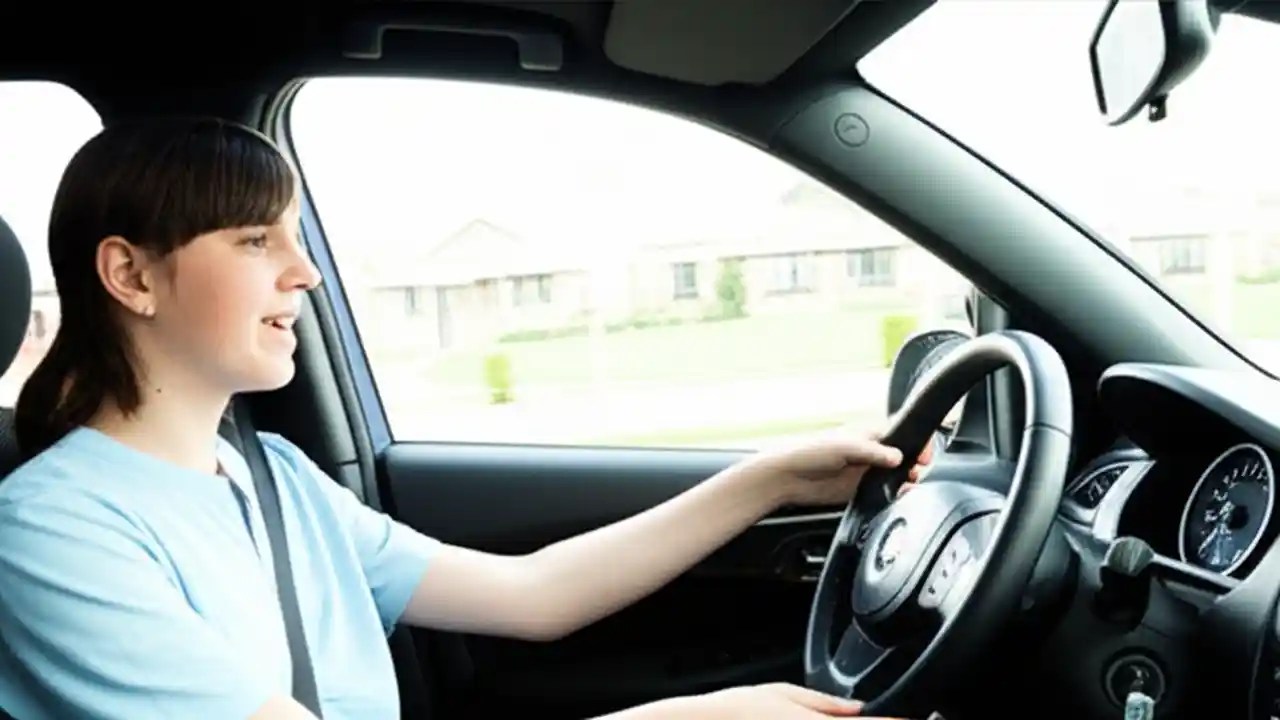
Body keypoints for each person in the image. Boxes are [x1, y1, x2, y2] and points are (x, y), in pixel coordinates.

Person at [0, 117, 930, 720]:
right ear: (131, 275)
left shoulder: (272, 477)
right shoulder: (49, 534)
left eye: (296, 238)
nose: (305, 272)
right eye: (255, 240)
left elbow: (535, 596)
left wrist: (776, 479)